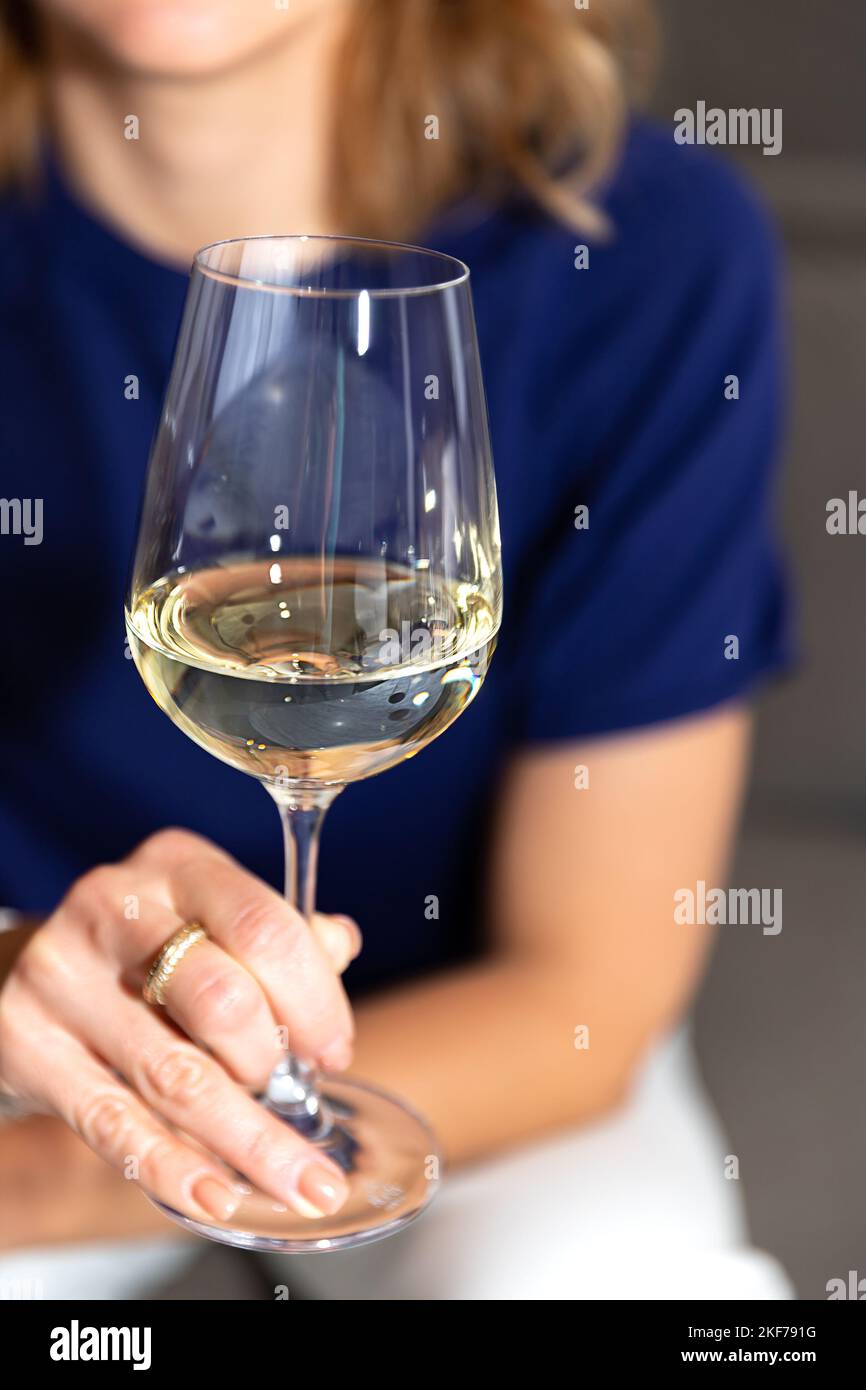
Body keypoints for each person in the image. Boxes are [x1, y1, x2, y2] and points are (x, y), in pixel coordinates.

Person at [0, 0, 792, 1299]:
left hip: (478, 1050)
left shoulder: (644, 248)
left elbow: (583, 996)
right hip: (27, 1047)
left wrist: (157, 1152)